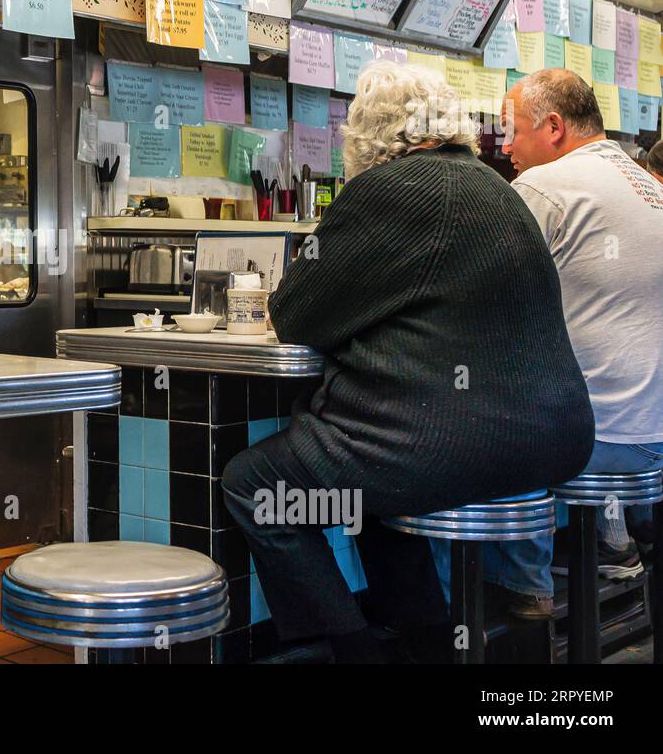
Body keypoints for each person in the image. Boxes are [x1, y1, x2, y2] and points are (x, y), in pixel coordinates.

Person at [220, 61, 594, 662]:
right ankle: (424, 635)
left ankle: (353, 650)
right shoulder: (497, 187)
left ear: (367, 138)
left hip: (453, 444)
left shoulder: (386, 190)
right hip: (554, 439)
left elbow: (295, 313)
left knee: (257, 484)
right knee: (370, 488)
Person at [489, 69, 663, 610]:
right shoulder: (649, 185)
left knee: (477, 433)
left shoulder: (542, 188)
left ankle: (517, 597)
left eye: (512, 132)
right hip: (654, 437)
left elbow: (484, 302)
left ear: (555, 126)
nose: (506, 148)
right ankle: (607, 546)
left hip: (601, 444)